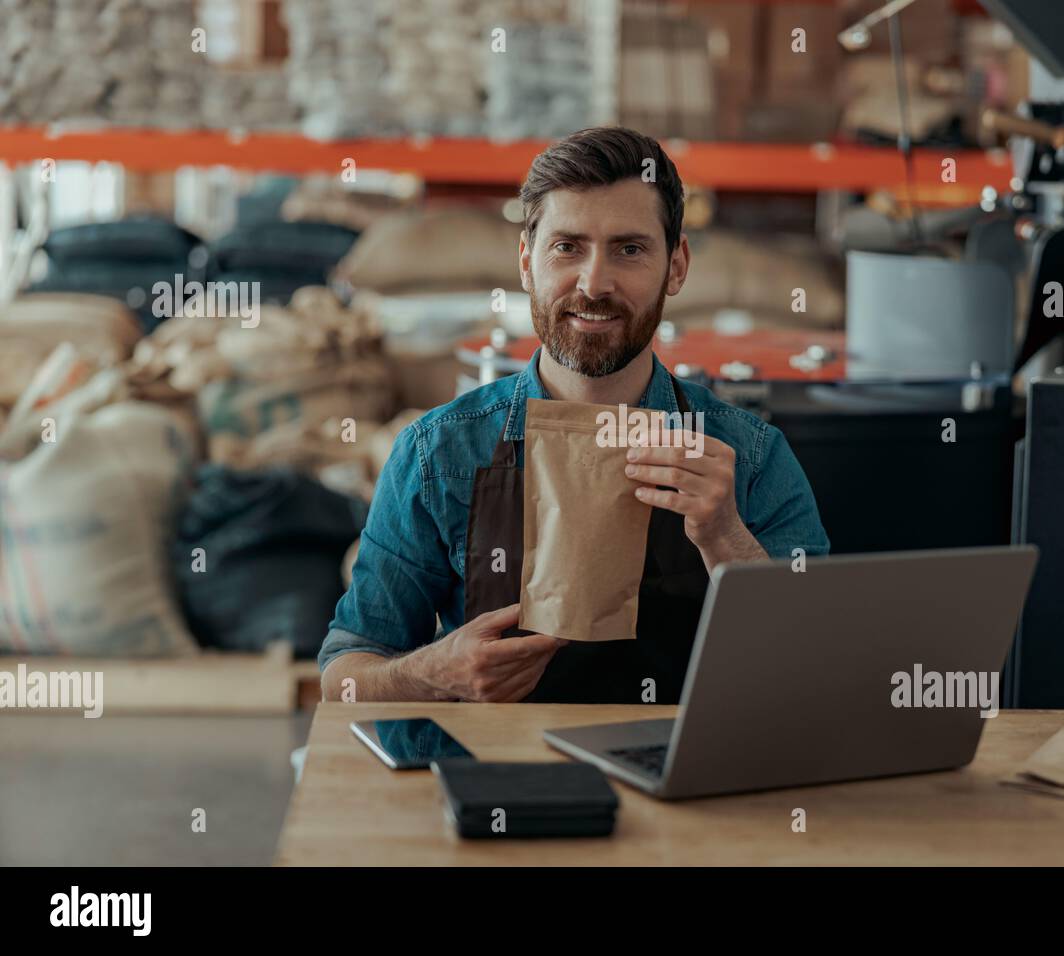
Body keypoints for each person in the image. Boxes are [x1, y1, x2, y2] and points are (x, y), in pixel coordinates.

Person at [319, 126, 829, 704]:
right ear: (526, 264)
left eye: (629, 249)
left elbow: (814, 667)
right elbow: (345, 676)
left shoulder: (752, 455)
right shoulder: (437, 453)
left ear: (677, 266)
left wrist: (724, 537)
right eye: (567, 247)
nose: (594, 284)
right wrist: (433, 672)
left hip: (688, 783)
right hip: (497, 783)